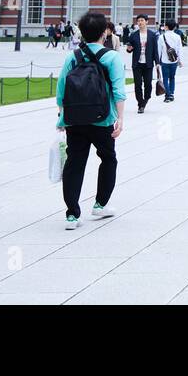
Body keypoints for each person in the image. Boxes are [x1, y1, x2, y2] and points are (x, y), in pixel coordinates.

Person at [56, 12, 127, 229]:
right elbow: (118, 91)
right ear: (105, 32)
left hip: (75, 120)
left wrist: (62, 117)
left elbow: (61, 90)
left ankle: (72, 215)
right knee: (108, 159)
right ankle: (100, 203)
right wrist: (120, 119)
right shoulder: (112, 57)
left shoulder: (73, 56)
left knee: (74, 163)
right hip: (102, 119)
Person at [125, 14, 159, 113]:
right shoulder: (133, 35)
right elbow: (129, 49)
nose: (140, 22)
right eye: (138, 21)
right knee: (138, 85)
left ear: (146, 21)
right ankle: (140, 104)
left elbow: (155, 50)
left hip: (148, 64)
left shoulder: (152, 35)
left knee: (148, 85)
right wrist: (129, 49)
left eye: (142, 20)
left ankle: (145, 100)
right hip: (137, 64)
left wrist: (157, 63)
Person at [158, 19, 183, 102]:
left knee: (165, 78)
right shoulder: (177, 37)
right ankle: (171, 93)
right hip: (174, 61)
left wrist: (157, 62)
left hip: (165, 61)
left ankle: (167, 95)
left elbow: (159, 50)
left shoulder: (161, 37)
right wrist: (180, 60)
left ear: (166, 27)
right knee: (172, 77)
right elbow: (180, 50)